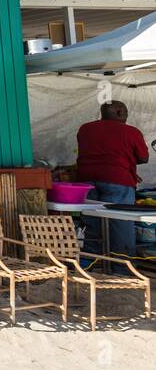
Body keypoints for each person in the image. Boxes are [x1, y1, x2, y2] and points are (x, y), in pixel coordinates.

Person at [77, 100, 149, 255]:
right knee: (120, 222)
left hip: (86, 180)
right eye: (126, 112)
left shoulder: (85, 129)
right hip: (117, 180)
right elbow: (143, 158)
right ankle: (121, 268)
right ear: (119, 112)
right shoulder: (131, 131)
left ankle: (92, 261)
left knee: (91, 221)